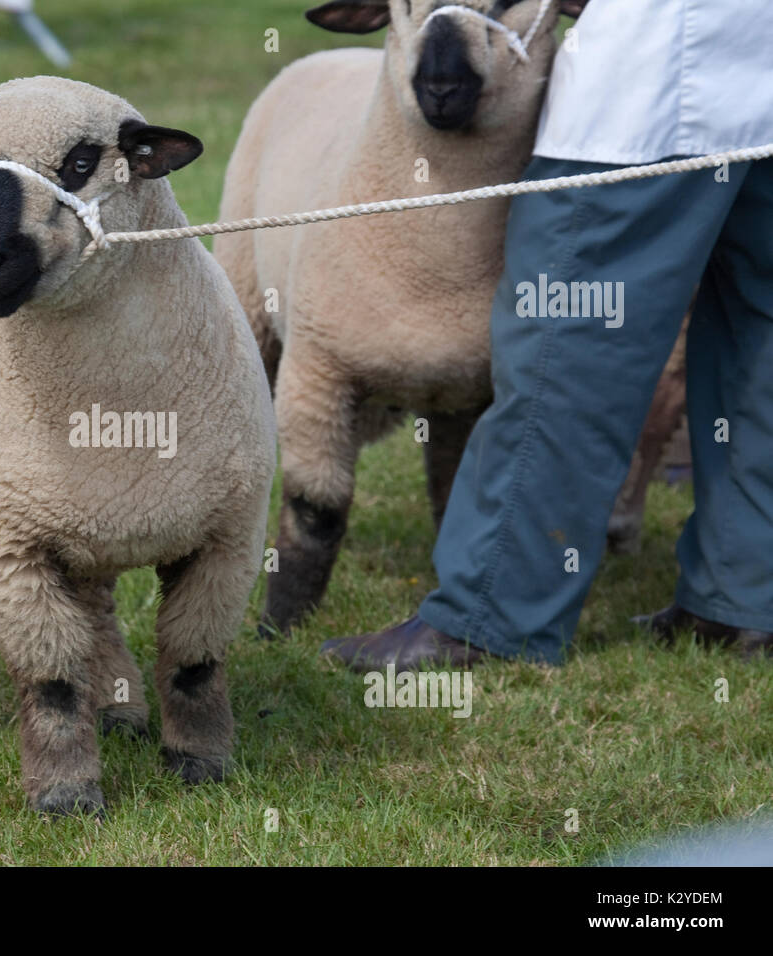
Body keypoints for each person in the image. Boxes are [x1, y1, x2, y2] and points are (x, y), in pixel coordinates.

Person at [322, 0, 773, 670]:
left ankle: (493, 617)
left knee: (570, 334)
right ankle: (744, 599)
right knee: (759, 330)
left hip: (658, 69)